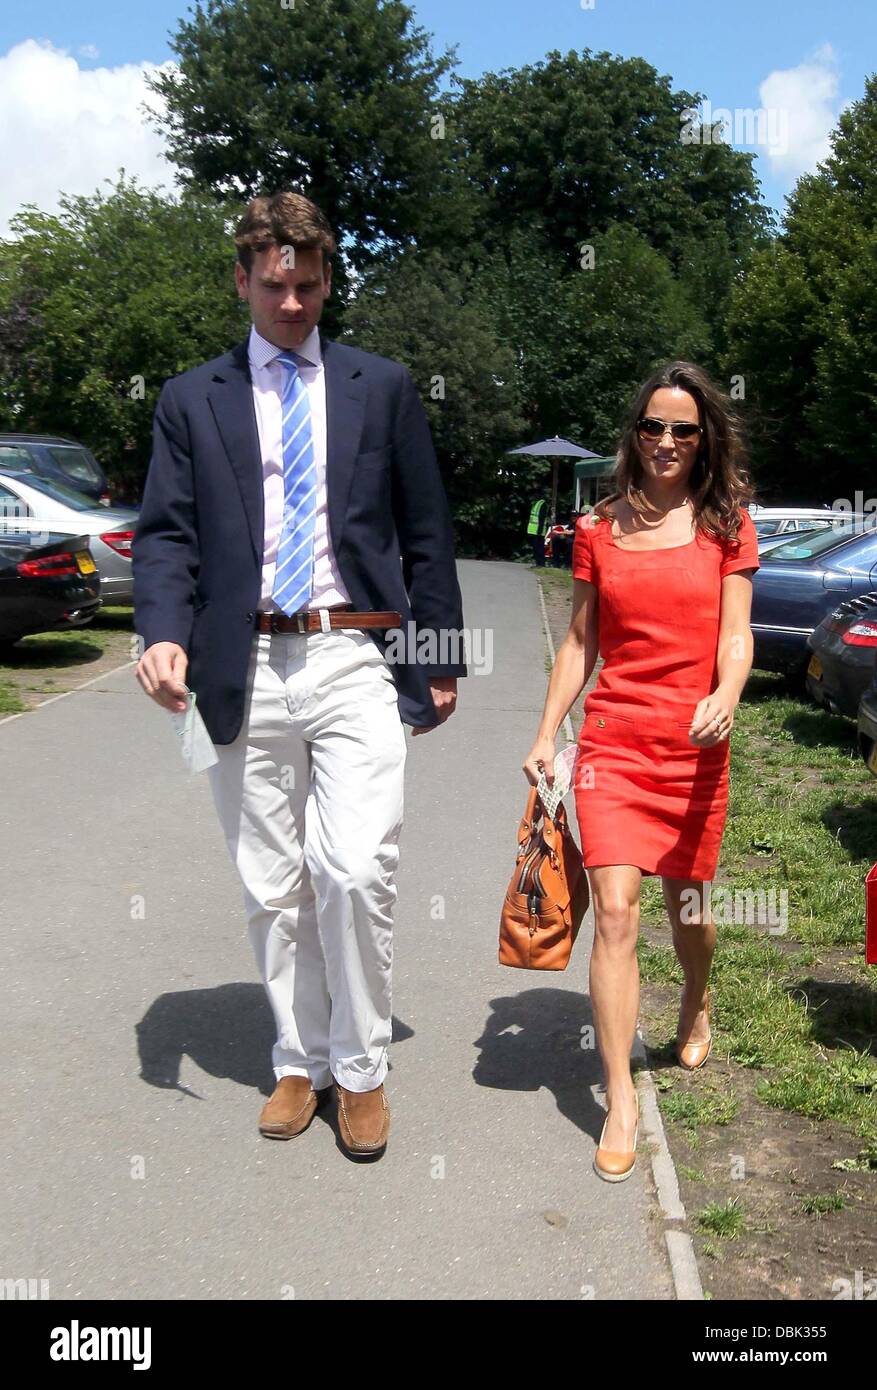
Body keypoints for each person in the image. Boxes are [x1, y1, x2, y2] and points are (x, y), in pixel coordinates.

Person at [132, 191, 466, 1158]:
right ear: (241, 279)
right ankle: (298, 1060)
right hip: (243, 665)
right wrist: (160, 632)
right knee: (272, 881)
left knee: (354, 869)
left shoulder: (381, 386)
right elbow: (167, 535)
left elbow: (425, 531)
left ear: (327, 280)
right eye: (273, 285)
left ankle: (361, 1068)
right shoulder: (192, 397)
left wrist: (436, 655)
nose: (291, 303)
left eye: (307, 285)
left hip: (355, 651)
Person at [522, 361, 759, 1183]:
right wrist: (549, 733)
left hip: (694, 749)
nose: (664, 442)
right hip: (615, 743)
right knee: (615, 914)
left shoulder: (726, 525)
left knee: (687, 911)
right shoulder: (597, 528)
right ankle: (619, 1094)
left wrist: (726, 690)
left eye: (682, 429)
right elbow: (581, 643)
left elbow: (736, 633)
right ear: (634, 434)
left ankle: (696, 997)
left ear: (703, 440)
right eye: (652, 427)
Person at [526, 496, 549, 565]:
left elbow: (541, 518)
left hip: (538, 531)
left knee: (539, 548)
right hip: (534, 531)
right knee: (536, 548)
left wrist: (539, 530)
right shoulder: (536, 504)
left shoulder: (542, 504)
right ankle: (538, 563)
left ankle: (540, 564)